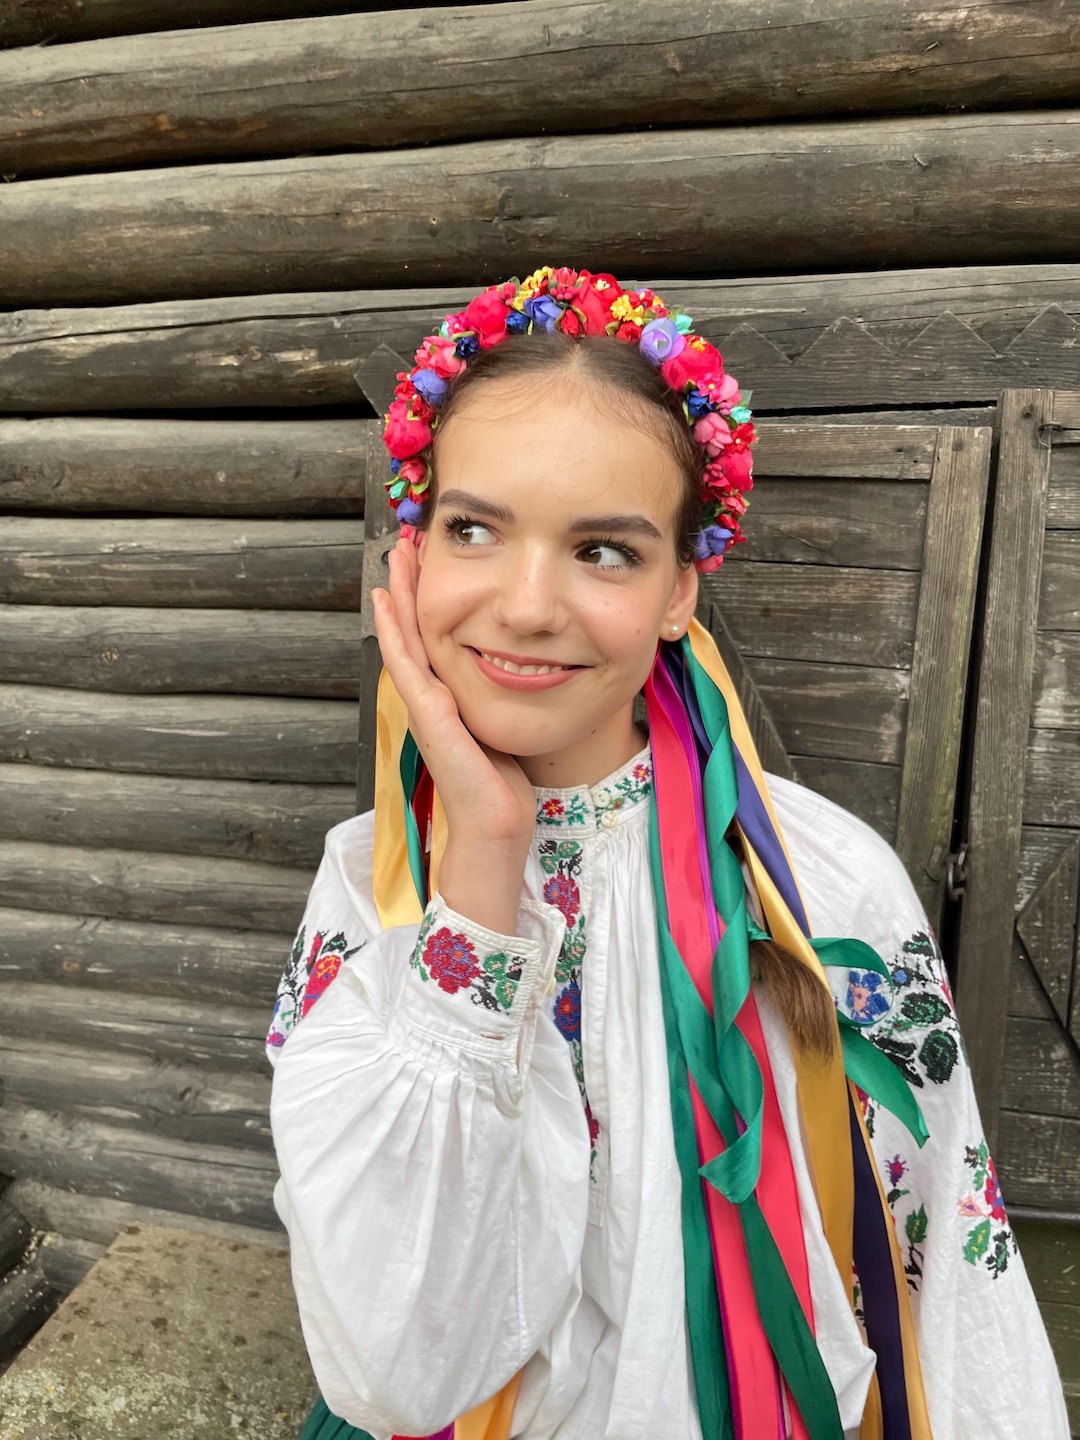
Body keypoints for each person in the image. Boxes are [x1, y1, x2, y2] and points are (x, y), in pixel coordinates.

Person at [266, 267, 1068, 1440]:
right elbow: (395, 1368)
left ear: (681, 589)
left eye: (603, 551)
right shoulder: (370, 890)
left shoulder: (824, 887)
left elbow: (947, 1252)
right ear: (413, 556)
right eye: (474, 528)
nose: (528, 605)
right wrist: (484, 876)